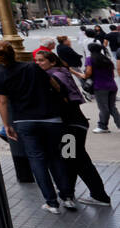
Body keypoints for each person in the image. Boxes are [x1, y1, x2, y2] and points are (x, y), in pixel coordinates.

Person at [0, 40, 75, 213]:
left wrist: (7, 125)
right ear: (14, 52)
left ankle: (51, 202)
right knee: (56, 157)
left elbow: (2, 101)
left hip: (24, 120)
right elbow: (54, 84)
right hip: (50, 117)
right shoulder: (31, 67)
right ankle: (67, 197)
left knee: (37, 159)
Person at [34, 48, 110, 206]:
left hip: (70, 127)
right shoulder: (62, 72)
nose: (38, 63)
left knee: (77, 160)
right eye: (36, 60)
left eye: (41, 60)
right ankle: (70, 193)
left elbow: (61, 100)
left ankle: (98, 195)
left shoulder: (53, 77)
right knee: (73, 159)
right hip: (77, 124)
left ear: (52, 61)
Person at [85, 42, 119, 133]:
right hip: (112, 85)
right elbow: (112, 73)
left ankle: (103, 126)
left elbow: (88, 73)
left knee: (103, 108)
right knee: (112, 107)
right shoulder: (107, 59)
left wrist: (79, 74)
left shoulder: (90, 59)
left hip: (100, 86)